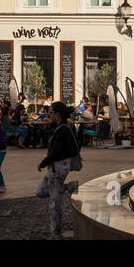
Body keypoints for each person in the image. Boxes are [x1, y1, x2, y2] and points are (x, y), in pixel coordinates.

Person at [38, 101, 80, 239]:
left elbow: (56, 152)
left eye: (50, 112)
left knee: (54, 203)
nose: (48, 115)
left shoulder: (63, 129)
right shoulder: (62, 127)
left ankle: (56, 233)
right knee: (40, 192)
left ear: (57, 114)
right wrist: (50, 124)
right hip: (57, 167)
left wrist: (44, 162)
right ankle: (70, 187)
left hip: (58, 167)